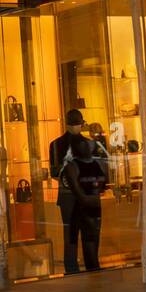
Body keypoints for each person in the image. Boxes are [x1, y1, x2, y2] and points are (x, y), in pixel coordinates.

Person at [60, 135, 107, 273]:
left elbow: (102, 185)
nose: (87, 147)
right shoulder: (72, 167)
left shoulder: (96, 163)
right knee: (89, 242)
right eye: (82, 144)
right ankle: (92, 272)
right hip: (84, 208)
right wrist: (92, 197)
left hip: (94, 206)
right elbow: (80, 193)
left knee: (94, 241)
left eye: (87, 144)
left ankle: (94, 272)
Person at [50, 109, 87, 274]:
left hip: (67, 194)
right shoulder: (87, 144)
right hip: (81, 194)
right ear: (81, 124)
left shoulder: (56, 144)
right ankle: (86, 264)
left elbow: (54, 173)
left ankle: (71, 267)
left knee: (71, 233)